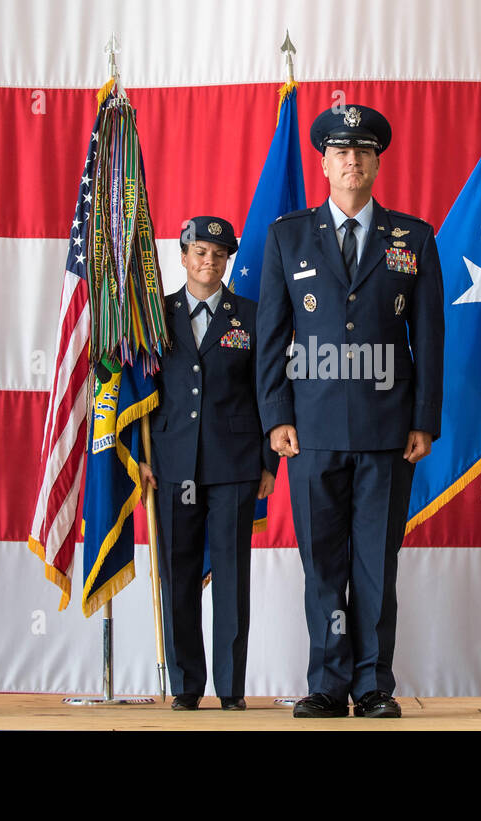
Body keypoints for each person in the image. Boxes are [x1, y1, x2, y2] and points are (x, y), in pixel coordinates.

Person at [255, 104, 444, 718]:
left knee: (373, 564)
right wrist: (277, 415)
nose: (352, 161)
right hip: (310, 431)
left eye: (363, 151)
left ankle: (373, 685)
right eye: (341, 152)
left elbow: (430, 337)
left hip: (388, 430)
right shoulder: (288, 235)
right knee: (322, 565)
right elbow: (270, 335)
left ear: (377, 162)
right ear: (324, 163)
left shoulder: (412, 237)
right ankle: (327, 683)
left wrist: (424, 418)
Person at [138, 216, 278, 711]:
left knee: (232, 581)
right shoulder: (155, 315)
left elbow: (268, 391)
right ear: (182, 256)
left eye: (218, 254)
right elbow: (140, 391)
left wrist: (268, 463)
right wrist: (141, 459)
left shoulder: (252, 315)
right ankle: (185, 686)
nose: (208, 261)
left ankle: (232, 688)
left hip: (236, 465)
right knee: (176, 578)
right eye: (200, 252)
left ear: (227, 261)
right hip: (172, 463)